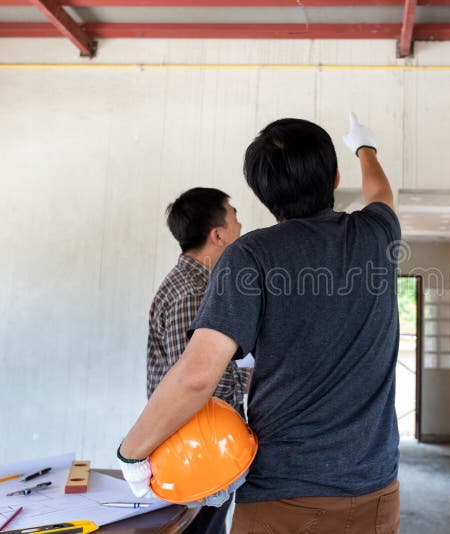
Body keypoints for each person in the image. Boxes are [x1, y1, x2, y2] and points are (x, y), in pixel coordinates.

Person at [118, 113, 401, 533]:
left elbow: (197, 376)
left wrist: (132, 453)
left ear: (263, 195)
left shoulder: (250, 256)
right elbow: (381, 192)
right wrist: (366, 148)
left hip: (286, 497)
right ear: (336, 178)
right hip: (378, 489)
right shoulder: (377, 234)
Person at [143, 187, 250, 534]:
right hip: (199, 455)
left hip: (204, 451)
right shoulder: (194, 292)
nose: (240, 225)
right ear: (218, 235)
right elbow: (197, 383)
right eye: (234, 217)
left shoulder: (199, 285)